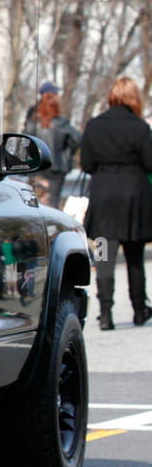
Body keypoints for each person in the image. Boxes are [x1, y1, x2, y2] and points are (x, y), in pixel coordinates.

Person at [79, 77, 152, 330]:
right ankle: (140, 309)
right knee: (134, 258)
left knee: (104, 257)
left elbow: (86, 164)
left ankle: (106, 313)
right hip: (134, 197)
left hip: (103, 197)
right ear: (134, 98)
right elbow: (150, 163)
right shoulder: (140, 127)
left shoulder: (94, 126)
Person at [23, 83, 82, 210]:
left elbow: (24, 142)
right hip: (56, 168)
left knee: (34, 203)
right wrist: (67, 152)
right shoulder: (61, 123)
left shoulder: (32, 122)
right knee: (51, 204)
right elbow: (77, 138)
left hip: (36, 166)